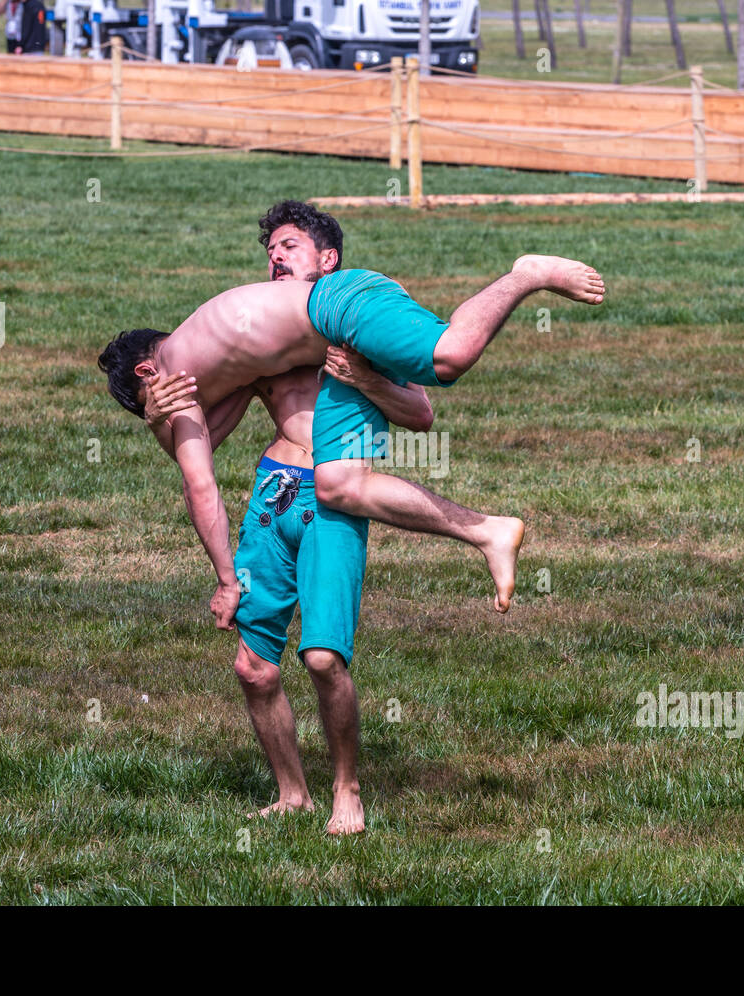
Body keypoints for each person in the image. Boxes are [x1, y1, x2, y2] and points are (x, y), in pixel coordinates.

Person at [98, 252, 604, 625]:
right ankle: (488, 531)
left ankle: (527, 274)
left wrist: (228, 582)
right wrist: (158, 425)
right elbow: (203, 443)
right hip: (338, 331)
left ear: (148, 370)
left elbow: (199, 484)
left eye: (152, 405)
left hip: (341, 303)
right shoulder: (213, 359)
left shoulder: (176, 377)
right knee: (339, 485)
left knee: (450, 355)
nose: (167, 415)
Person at [140, 202, 433, 834]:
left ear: (328, 260)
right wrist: (159, 412)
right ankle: (292, 792)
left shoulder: (350, 325)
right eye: (270, 248)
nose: (276, 256)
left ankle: (346, 788)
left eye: (290, 246)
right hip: (274, 494)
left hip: (333, 497)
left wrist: (366, 380)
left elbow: (422, 414)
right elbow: (200, 447)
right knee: (253, 667)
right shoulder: (260, 346)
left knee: (325, 660)